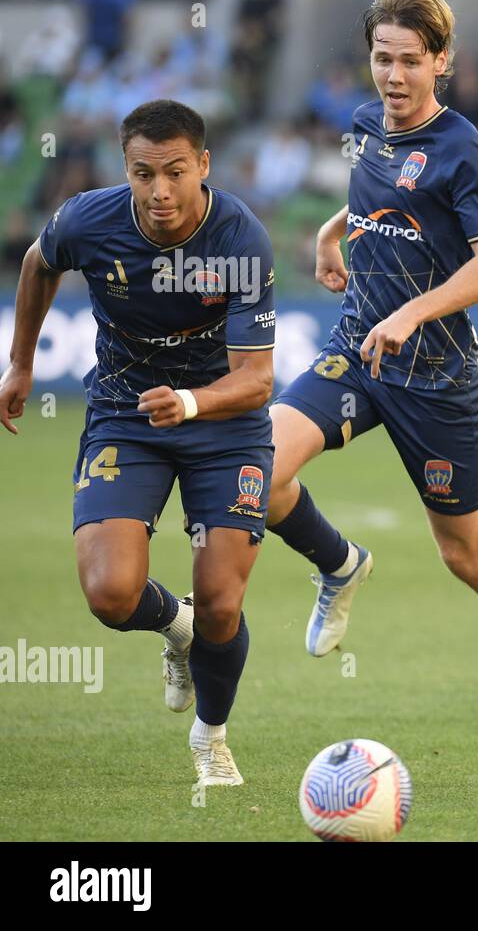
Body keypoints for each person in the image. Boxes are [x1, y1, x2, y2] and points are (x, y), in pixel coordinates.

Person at [264, 0, 478, 765]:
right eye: (383, 58)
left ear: (442, 60)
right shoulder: (366, 123)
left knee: (467, 556)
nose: (394, 76)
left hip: (436, 379)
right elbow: (379, 196)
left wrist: (413, 312)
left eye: (411, 60)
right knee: (257, 467)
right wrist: (331, 232)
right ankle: (339, 564)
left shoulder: (465, 149)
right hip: (358, 350)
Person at [0, 100, 277, 786]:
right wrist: (22, 362)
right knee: (110, 594)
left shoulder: (239, 239)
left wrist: (191, 401)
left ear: (203, 166)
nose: (159, 191)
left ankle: (211, 737)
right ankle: (173, 627)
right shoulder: (87, 220)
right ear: (124, 169)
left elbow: (258, 380)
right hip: (127, 415)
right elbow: (39, 263)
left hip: (223, 424)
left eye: (175, 172)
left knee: (222, 603)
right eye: (143, 173)